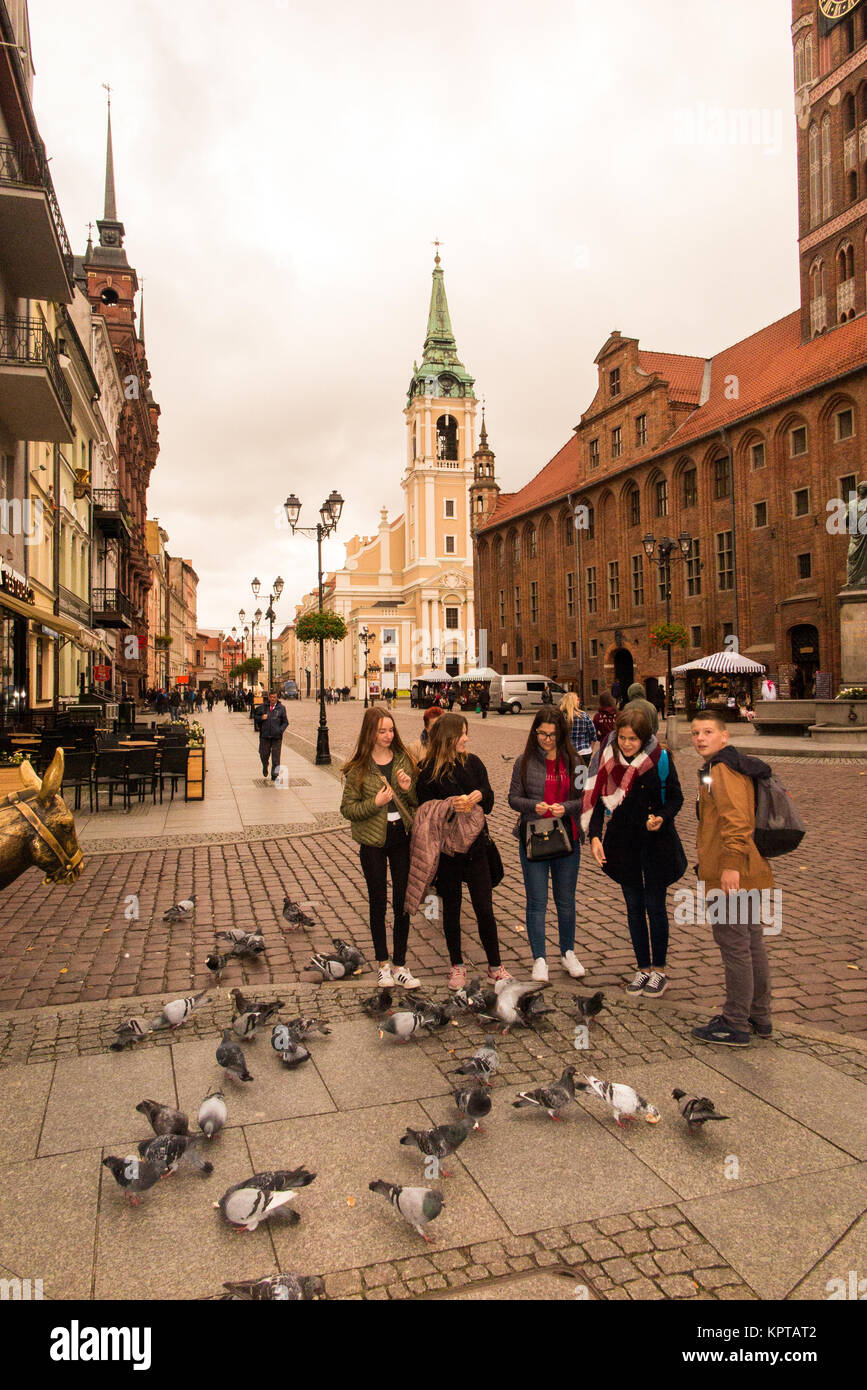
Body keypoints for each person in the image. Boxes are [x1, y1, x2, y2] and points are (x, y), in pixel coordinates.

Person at [582, 708, 686, 997]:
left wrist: (663, 817)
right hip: (624, 845)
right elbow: (601, 802)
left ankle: (659, 970)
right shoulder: (608, 759)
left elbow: (676, 797)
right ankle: (642, 968)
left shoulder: (660, 760)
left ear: (645, 738)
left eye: (633, 739)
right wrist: (594, 836)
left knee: (655, 907)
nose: (627, 744)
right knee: (633, 909)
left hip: (656, 845)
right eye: (623, 738)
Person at [690, 714, 775, 1047]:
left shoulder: (722, 770)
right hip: (749, 870)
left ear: (724, 736)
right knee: (752, 944)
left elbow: (736, 822)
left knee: (735, 947)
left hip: (733, 873)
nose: (700, 738)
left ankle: (736, 1022)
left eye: (708, 732)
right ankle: (759, 1015)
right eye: (695, 732)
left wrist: (729, 866)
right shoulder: (734, 764)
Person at [415, 714, 509, 990]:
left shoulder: (474, 763)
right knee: (452, 909)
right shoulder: (428, 771)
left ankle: (495, 966)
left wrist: (480, 795)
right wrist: (448, 806)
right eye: (462, 734)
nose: (466, 739)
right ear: (448, 737)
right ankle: (457, 966)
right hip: (448, 852)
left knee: (483, 906)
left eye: (467, 733)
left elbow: (489, 799)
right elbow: (424, 813)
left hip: (477, 847)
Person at [340, 707, 420, 989]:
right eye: (382, 731)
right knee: (378, 901)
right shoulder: (359, 768)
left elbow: (414, 803)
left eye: (391, 730)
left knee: (402, 902)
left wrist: (408, 787)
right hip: (372, 841)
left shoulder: (403, 760)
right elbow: (347, 808)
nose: (388, 735)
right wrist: (374, 803)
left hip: (401, 837)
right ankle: (382, 964)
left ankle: (400, 964)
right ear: (370, 733)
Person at [508, 709, 586, 981]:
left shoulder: (576, 762)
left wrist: (565, 808)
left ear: (562, 735)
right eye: (542, 733)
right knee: (537, 901)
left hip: (567, 838)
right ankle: (539, 958)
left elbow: (583, 800)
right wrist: (535, 806)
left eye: (553, 735)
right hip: (534, 836)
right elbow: (514, 798)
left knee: (565, 901)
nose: (547, 739)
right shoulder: (524, 761)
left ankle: (568, 952)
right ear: (535, 732)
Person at [559, 691, 596, 768]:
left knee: (567, 777)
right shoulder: (584, 716)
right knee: (582, 779)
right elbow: (593, 735)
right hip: (584, 752)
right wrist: (590, 749)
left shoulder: (560, 717)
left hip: (566, 753)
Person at [258, 691, 289, 781]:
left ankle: (275, 774)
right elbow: (255, 717)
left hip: (276, 736)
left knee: (276, 757)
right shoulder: (263, 707)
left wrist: (280, 730)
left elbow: (285, 722)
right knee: (263, 754)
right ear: (269, 697)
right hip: (265, 736)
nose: (273, 699)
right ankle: (265, 765)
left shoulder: (281, 708)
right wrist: (261, 718)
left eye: (274, 697)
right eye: (271, 697)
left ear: (277, 698)